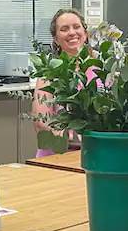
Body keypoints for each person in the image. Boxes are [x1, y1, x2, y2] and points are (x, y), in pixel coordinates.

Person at [32, 8, 90, 157]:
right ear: (56, 39)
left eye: (76, 27)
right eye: (64, 29)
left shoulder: (100, 69)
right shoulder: (49, 74)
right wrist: (71, 139)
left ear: (85, 33)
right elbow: (41, 122)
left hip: (95, 154)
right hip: (57, 157)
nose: (72, 32)